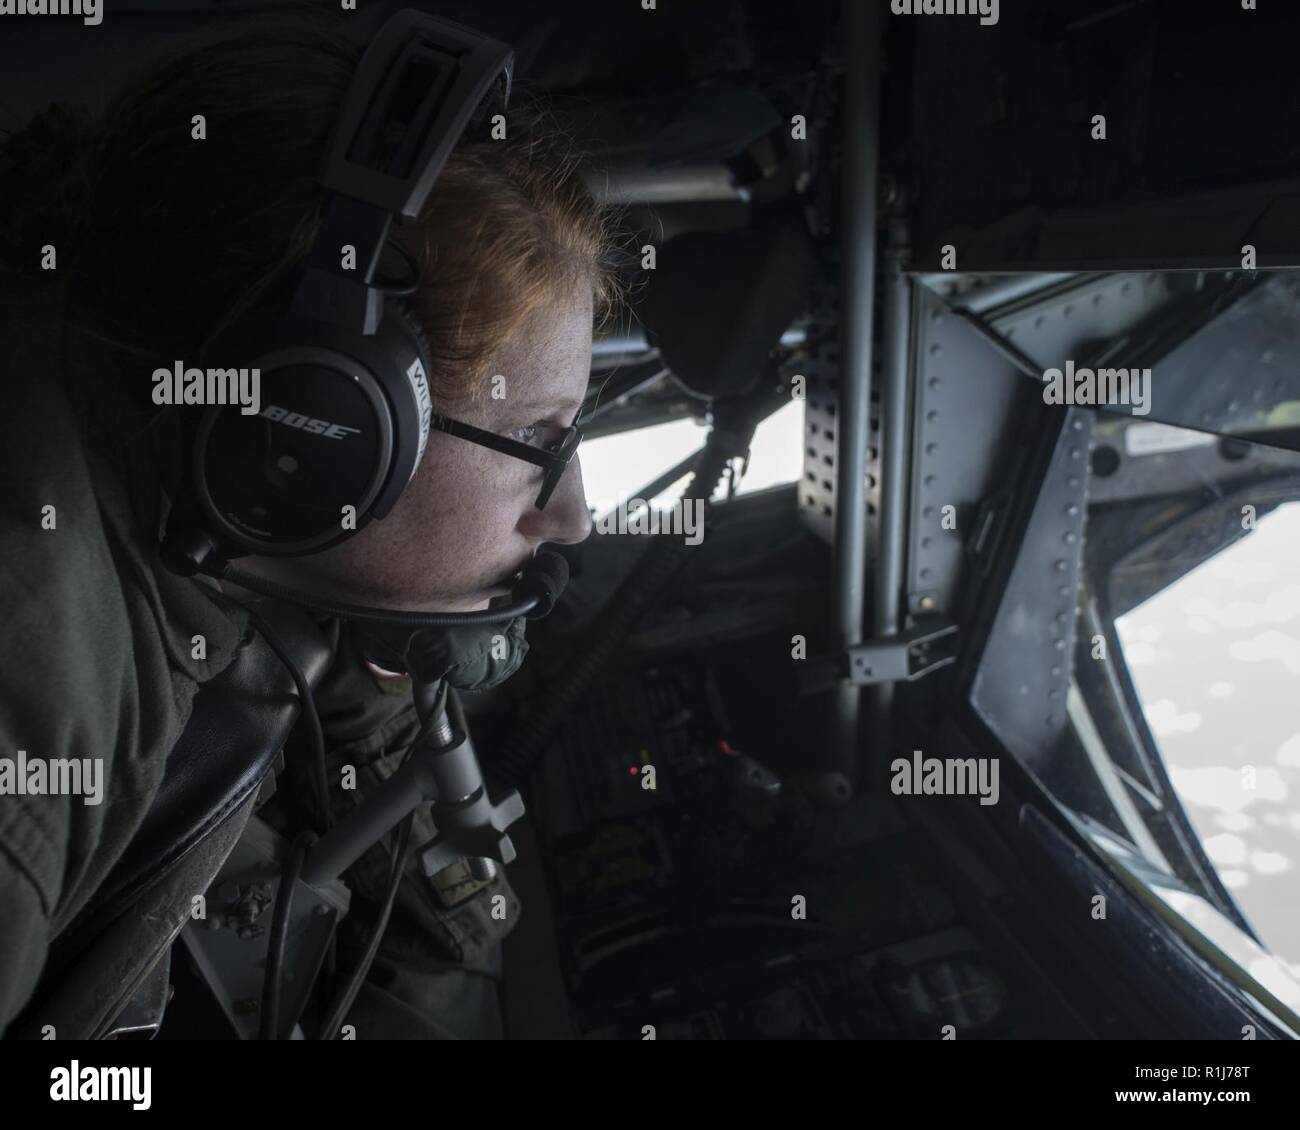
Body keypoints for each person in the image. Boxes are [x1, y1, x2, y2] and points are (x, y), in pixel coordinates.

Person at [0, 11, 626, 1037]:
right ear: (329, 422)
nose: (571, 517)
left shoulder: (195, 485)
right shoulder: (32, 680)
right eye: (537, 435)